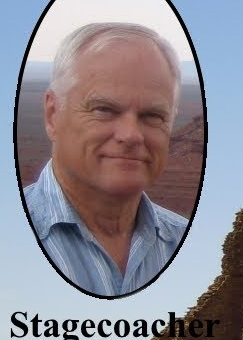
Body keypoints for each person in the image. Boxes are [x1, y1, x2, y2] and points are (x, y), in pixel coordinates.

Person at [22, 22, 188, 297]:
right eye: (104, 110)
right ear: (53, 115)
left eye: (152, 116)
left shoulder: (187, 244)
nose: (131, 135)